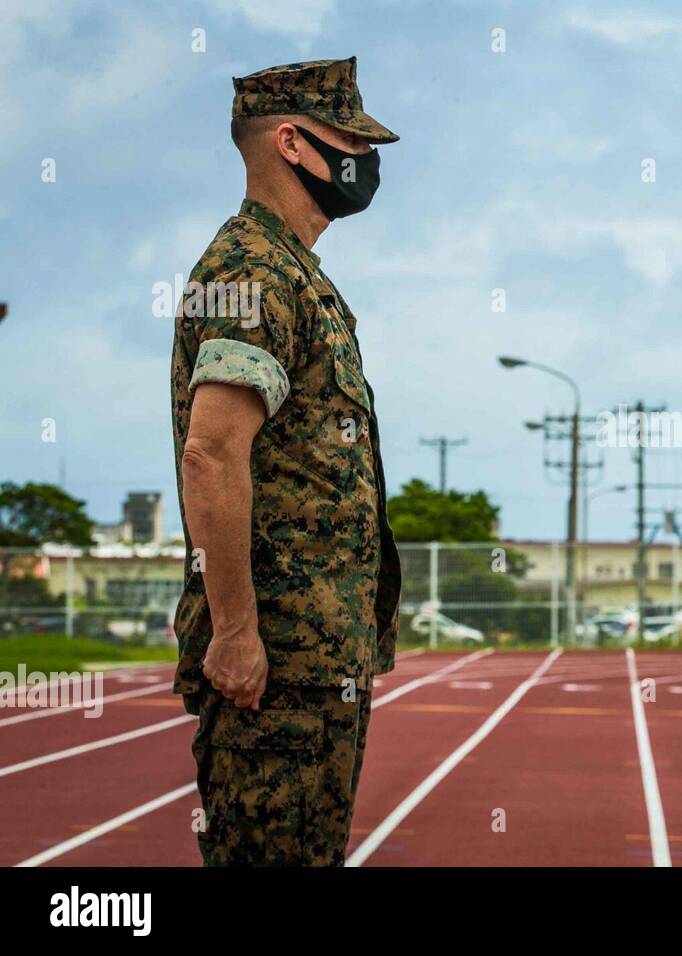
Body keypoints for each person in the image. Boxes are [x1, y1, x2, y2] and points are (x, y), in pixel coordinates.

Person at [169, 57, 402, 866]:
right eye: (352, 140)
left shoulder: (299, 274)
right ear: (293, 143)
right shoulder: (250, 272)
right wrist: (235, 632)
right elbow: (211, 454)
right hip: (277, 664)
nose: (366, 161)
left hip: (315, 657)